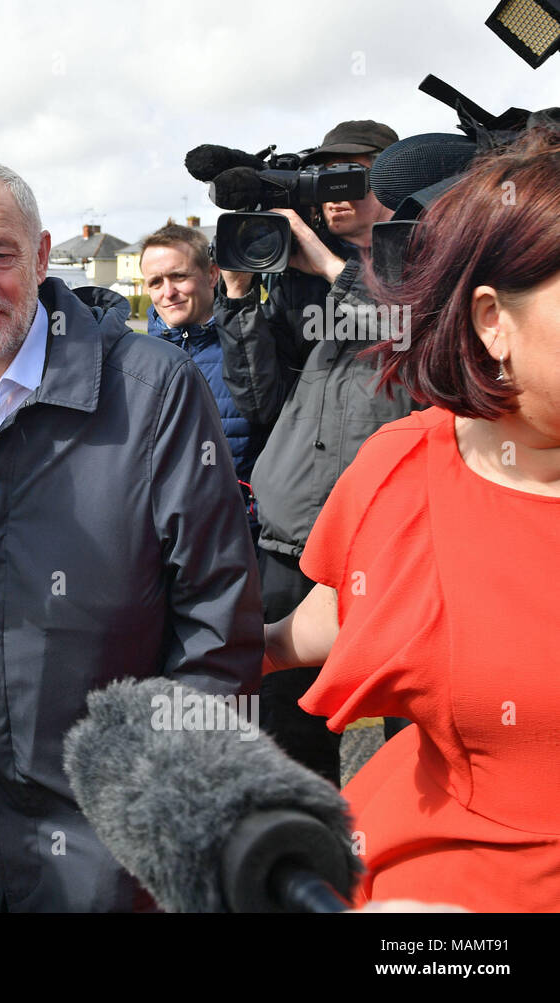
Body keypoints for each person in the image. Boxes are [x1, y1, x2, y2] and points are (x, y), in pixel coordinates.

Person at [0, 154, 261, 912]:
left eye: (0, 254)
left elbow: (219, 623)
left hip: (109, 844)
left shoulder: (152, 392)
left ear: (42, 255)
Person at [264, 125, 560, 911]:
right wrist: (239, 647)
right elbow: (362, 602)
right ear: (492, 318)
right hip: (427, 885)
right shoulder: (405, 462)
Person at [212, 119, 419, 786]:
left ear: (390, 178)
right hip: (292, 540)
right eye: (322, 177)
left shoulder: (427, 261)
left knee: (412, 737)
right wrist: (241, 294)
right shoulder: (298, 276)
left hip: (393, 549)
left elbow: (409, 335)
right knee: (288, 742)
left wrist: (332, 268)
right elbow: (257, 397)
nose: (333, 194)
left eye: (351, 175)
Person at [140, 224, 269, 540]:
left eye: (179, 277)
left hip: (240, 533)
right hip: (165, 538)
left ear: (212, 275)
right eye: (155, 282)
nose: (167, 292)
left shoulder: (255, 339)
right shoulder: (134, 357)